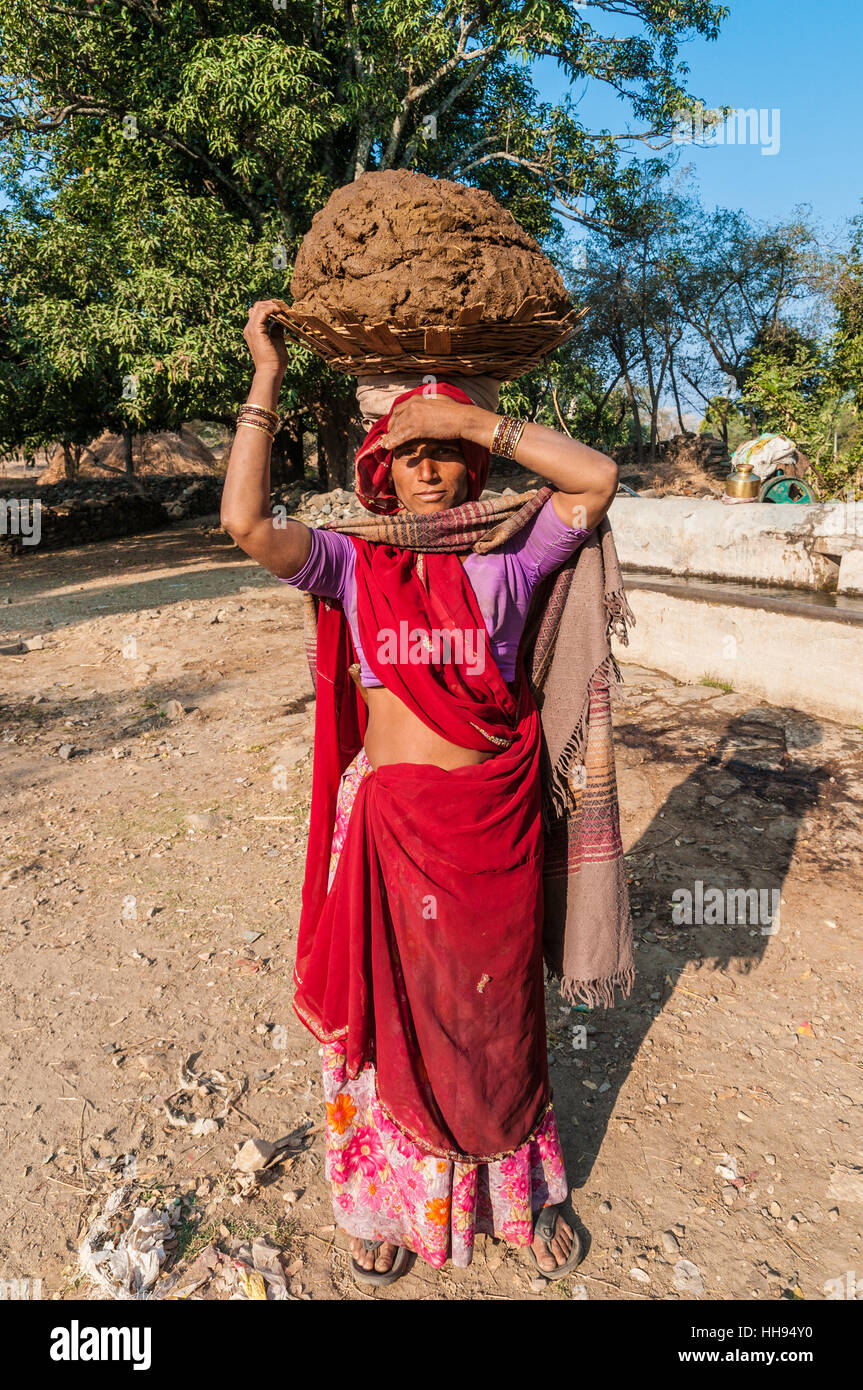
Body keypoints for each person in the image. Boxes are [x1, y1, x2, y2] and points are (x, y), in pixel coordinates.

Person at [221, 300, 626, 1287]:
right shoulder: (356, 564)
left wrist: (472, 417)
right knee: (391, 1025)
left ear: (471, 462)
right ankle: (391, 1202)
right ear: (381, 471)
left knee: (497, 1024)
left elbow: (597, 480)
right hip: (394, 835)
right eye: (409, 454)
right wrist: (265, 376)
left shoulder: (512, 561)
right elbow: (243, 523)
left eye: (444, 452)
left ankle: (518, 1197)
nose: (429, 468)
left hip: (490, 832)